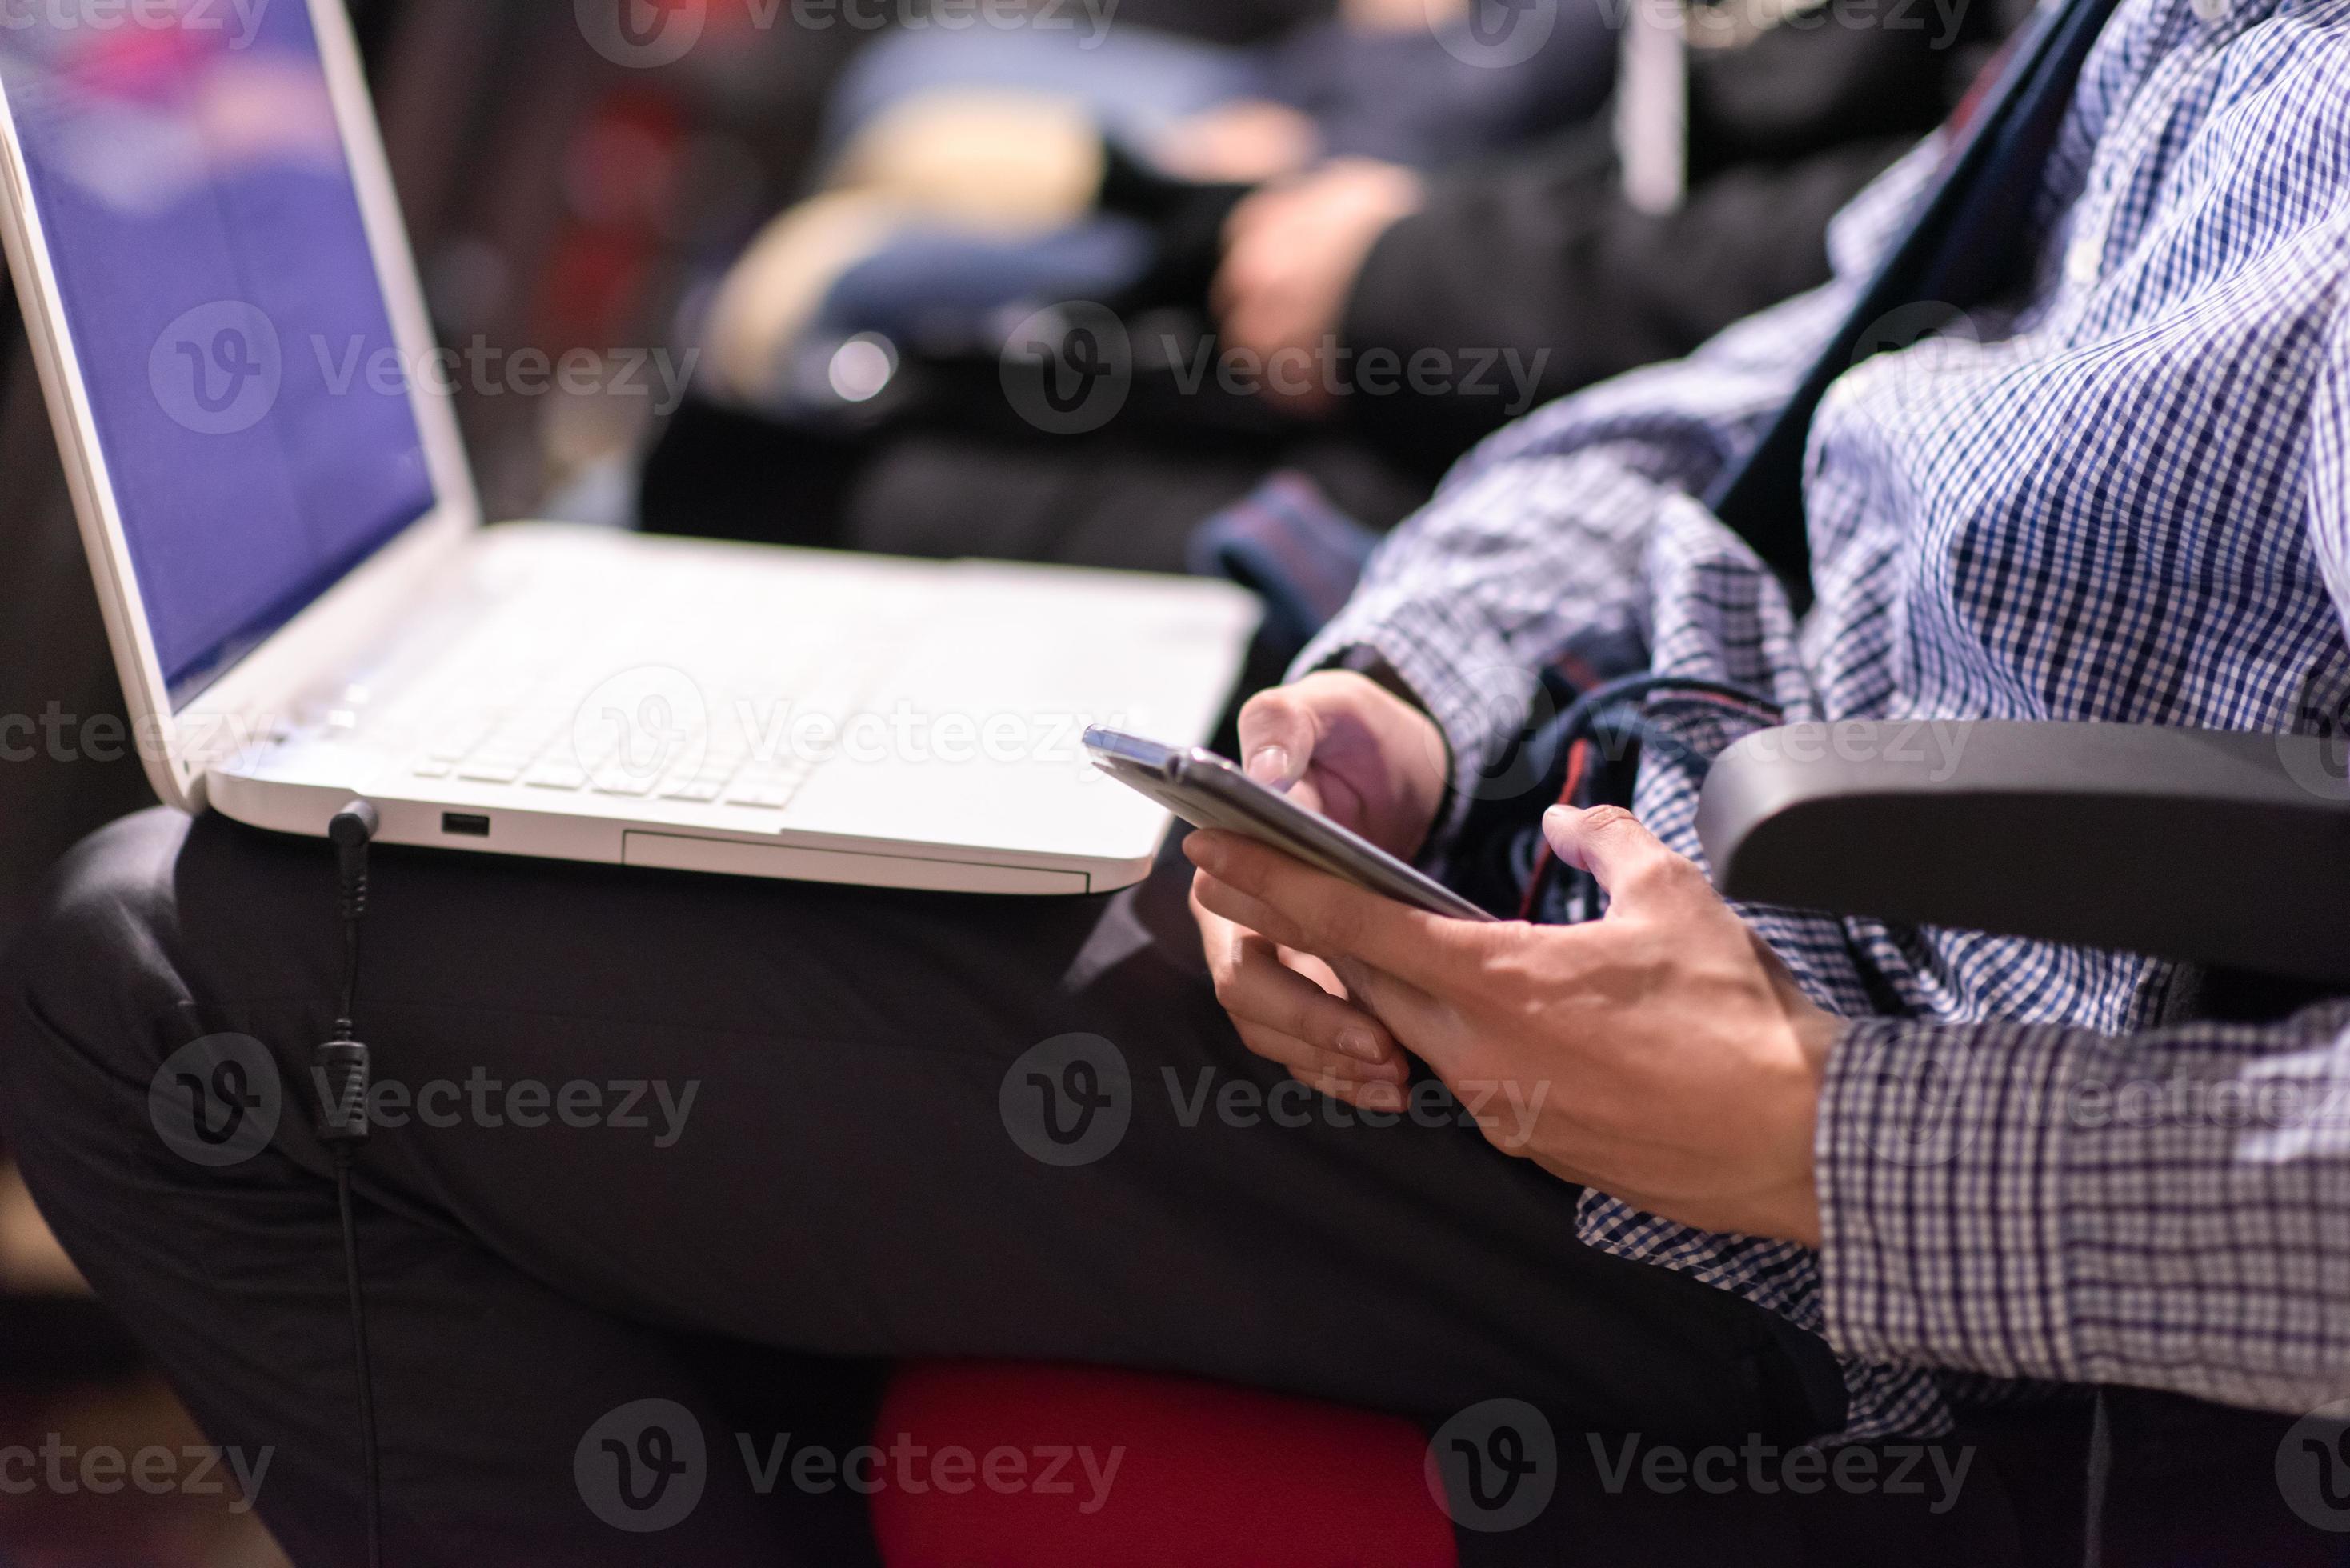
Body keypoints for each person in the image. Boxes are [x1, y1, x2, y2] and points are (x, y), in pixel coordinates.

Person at [6, 0, 2350, 1561]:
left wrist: (1817, 1138)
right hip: (1548, 870)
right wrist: (1402, 688)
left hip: (1820, 1169)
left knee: (174, 976)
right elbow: (1744, 383)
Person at [647, 0, 2020, 571]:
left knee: (777, 421)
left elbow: (1894, 245)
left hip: (1562, 369)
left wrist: (1390, 259)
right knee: (913, 88)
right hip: (1516, 194)